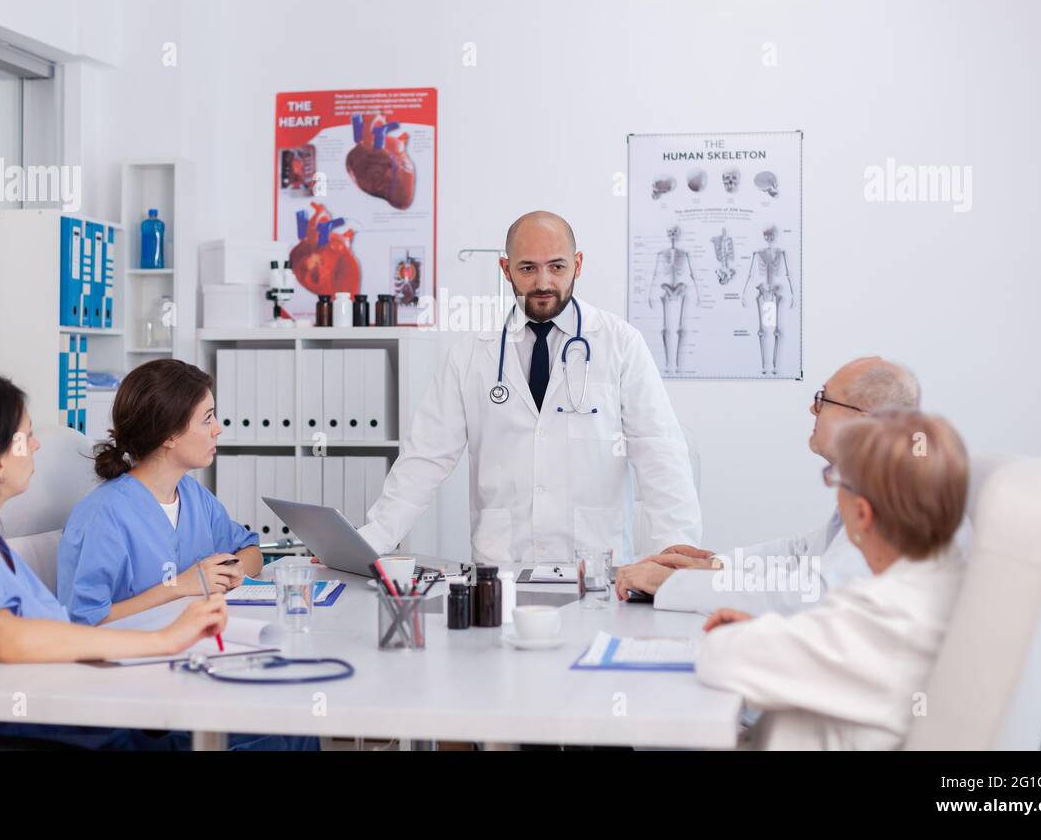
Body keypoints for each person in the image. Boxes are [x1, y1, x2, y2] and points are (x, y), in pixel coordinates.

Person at [0, 373, 314, 750]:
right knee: (285, 740)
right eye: (26, 436)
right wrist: (163, 641)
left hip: (98, 709)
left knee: (287, 726)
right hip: (61, 731)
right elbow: (7, 639)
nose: (38, 444)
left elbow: (51, 636)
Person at [357, 210, 701, 564]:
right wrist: (371, 540)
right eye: (527, 268)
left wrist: (676, 551)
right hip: (501, 568)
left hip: (596, 567)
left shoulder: (620, 344)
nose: (543, 282)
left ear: (577, 264)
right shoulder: (471, 353)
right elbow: (424, 459)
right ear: (505, 269)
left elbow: (660, 453)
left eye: (557, 267)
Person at [694, 409, 969, 750]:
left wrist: (743, 635)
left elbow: (719, 659)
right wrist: (772, 632)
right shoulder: (947, 584)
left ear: (862, 513)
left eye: (837, 479)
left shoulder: (880, 615)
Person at [616, 356, 949, 613]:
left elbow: (807, 594)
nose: (812, 408)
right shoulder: (876, 484)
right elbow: (800, 555)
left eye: (824, 399)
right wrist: (715, 566)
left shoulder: (891, 502)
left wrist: (674, 584)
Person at [58, 359, 264, 626]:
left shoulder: (194, 497)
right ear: (169, 435)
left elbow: (252, 551)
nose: (217, 428)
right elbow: (82, 622)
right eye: (207, 419)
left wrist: (234, 570)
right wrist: (180, 586)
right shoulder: (103, 515)